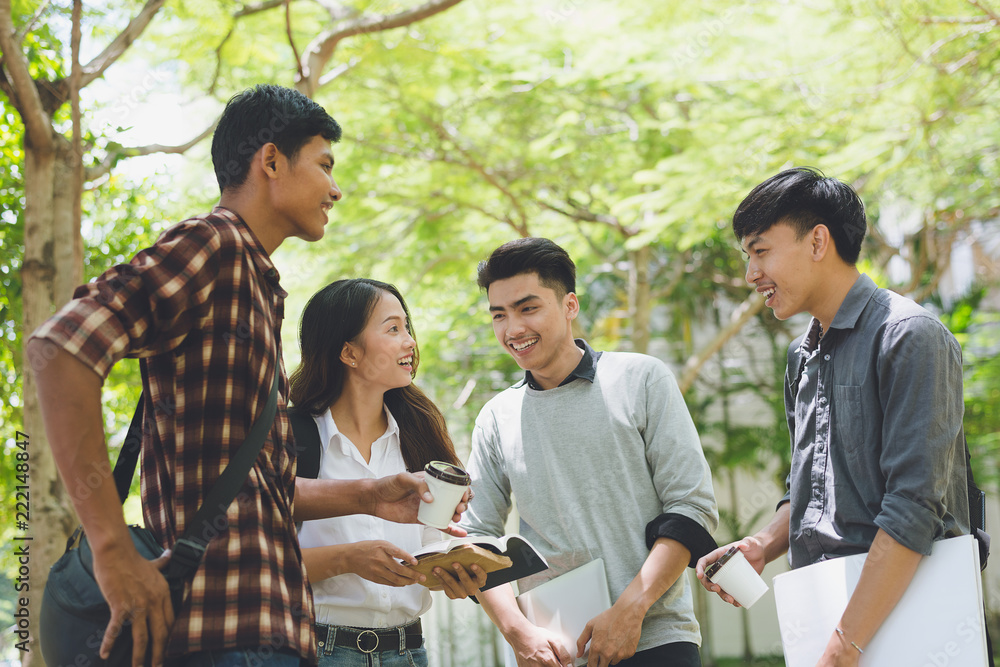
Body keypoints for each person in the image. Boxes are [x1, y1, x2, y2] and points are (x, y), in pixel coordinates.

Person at [27, 84, 468, 667]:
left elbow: (255, 493)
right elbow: (60, 349)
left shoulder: (257, 284)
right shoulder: (215, 245)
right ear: (271, 161)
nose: (335, 189)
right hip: (220, 635)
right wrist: (112, 552)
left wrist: (370, 494)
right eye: (324, 165)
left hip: (267, 631)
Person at [695, 166, 973, 666]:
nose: (751, 274)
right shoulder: (801, 356)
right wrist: (763, 545)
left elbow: (912, 507)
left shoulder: (909, 336)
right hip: (826, 611)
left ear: (818, 241)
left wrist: (844, 648)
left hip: (897, 619)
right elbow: (811, 486)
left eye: (760, 251)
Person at [460, 237, 719, 667]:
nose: (513, 329)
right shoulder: (495, 416)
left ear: (570, 306)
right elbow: (476, 540)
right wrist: (519, 633)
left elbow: (691, 508)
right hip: (553, 653)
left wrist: (629, 611)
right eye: (499, 315)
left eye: (528, 308)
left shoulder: (642, 379)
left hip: (655, 640)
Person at [288, 278, 487, 666]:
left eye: (407, 327)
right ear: (349, 353)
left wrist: (454, 565)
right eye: (393, 329)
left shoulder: (421, 435)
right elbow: (256, 559)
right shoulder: (292, 439)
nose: (410, 341)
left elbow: (435, 539)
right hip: (316, 651)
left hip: (408, 652)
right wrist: (347, 558)